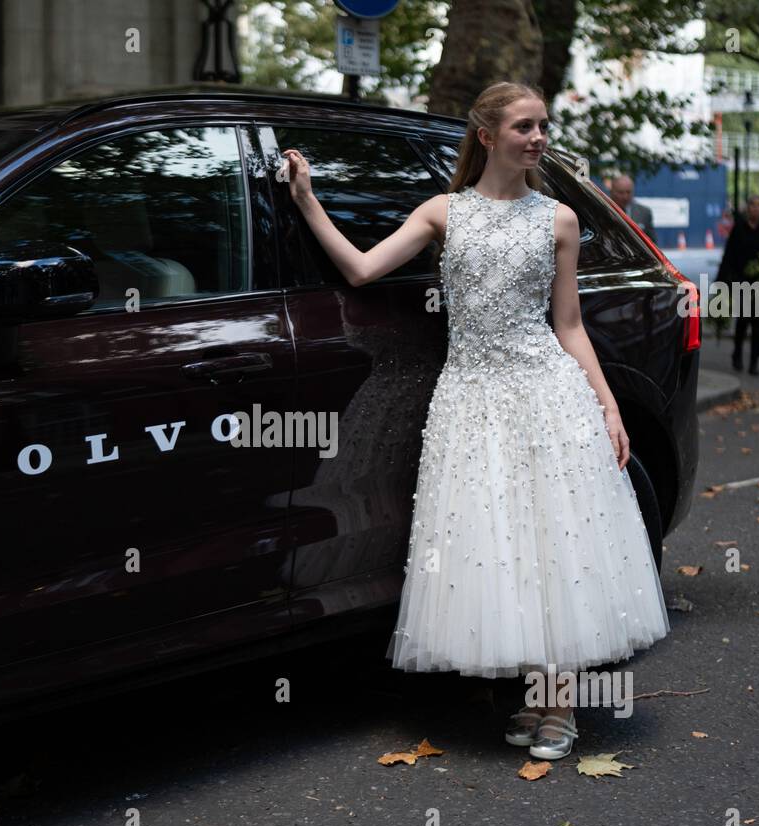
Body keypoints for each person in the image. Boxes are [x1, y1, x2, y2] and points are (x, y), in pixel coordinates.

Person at [282, 82, 670, 761]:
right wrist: (307, 198)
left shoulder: (559, 221)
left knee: (556, 543)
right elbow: (363, 269)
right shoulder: (442, 213)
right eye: (525, 125)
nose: (539, 136)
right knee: (499, 544)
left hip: (546, 391)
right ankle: (531, 694)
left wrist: (606, 403)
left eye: (544, 124)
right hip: (469, 399)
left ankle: (557, 704)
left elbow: (570, 327)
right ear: (488, 136)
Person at [717, 194, 759, 375]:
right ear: (748, 209)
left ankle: (754, 362)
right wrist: (722, 281)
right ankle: (737, 354)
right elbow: (729, 255)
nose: (756, 209)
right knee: (743, 321)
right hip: (742, 281)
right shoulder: (739, 229)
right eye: (753, 205)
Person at [609, 174, 658, 245]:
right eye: (621, 192)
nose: (625, 196)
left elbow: (652, 243)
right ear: (612, 192)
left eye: (628, 192)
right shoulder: (602, 211)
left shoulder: (644, 213)